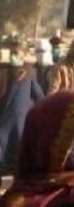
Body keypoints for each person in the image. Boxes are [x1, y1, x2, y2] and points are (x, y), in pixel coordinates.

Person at [0, 46, 43, 177]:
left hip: (21, 118)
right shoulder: (3, 71)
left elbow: (39, 95)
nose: (15, 57)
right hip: (4, 117)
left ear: (24, 56)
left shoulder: (29, 73)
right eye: (13, 54)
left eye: (18, 54)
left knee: (18, 144)